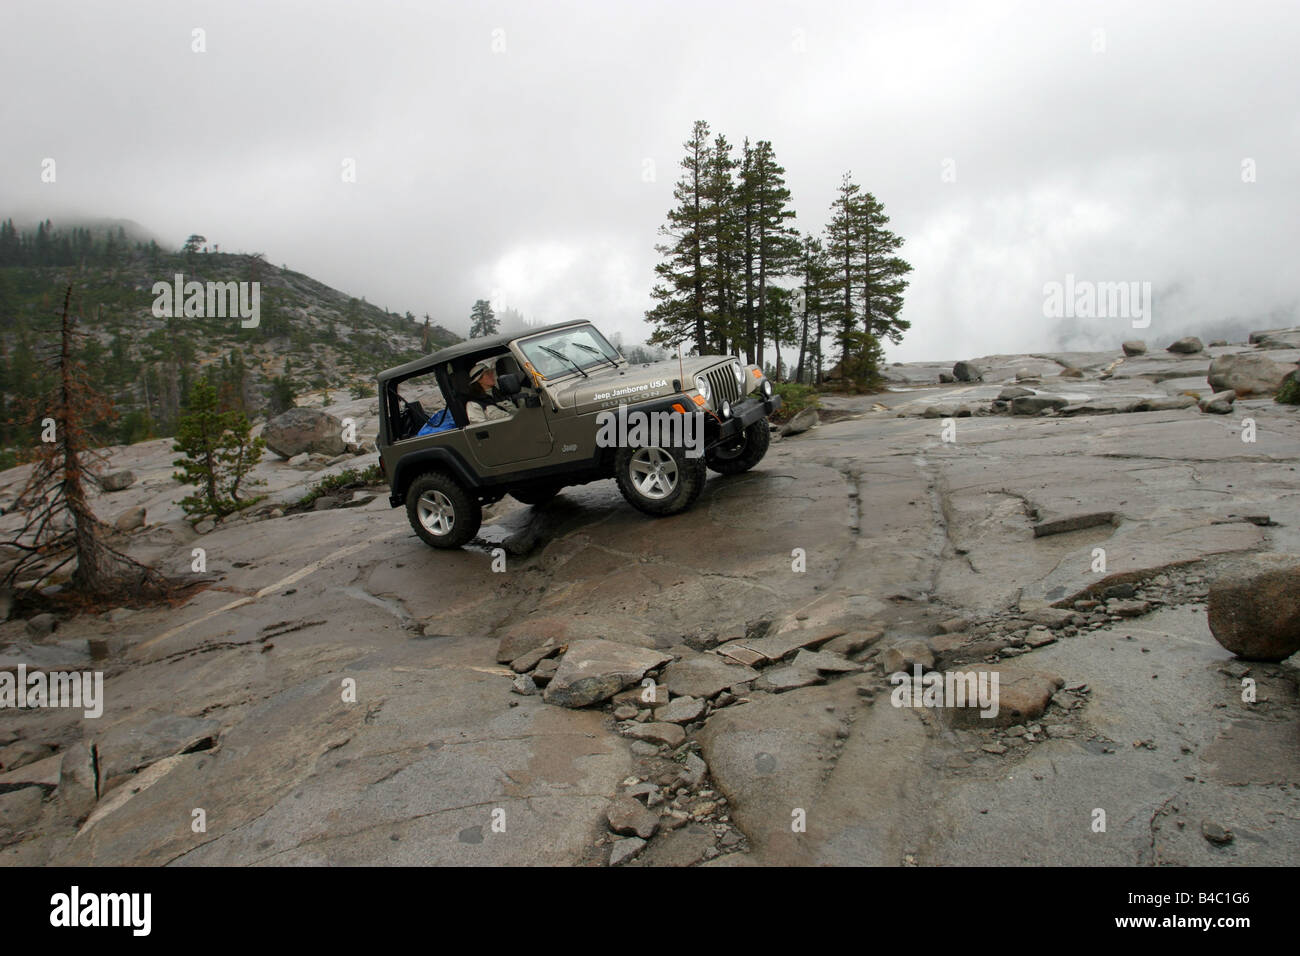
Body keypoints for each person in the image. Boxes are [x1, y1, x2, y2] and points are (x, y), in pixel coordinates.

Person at [464, 358, 518, 424]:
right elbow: (480, 428)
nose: (491, 375)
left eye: (491, 372)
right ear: (479, 380)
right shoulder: (473, 404)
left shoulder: (502, 393)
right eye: (487, 374)